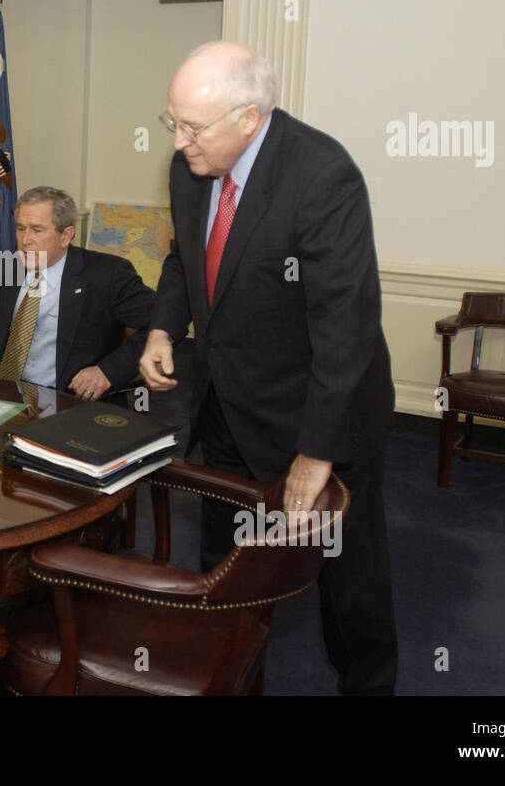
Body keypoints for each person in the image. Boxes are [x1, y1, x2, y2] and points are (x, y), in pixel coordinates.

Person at [138, 42, 397, 694]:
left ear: (249, 118)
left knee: (348, 583)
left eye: (192, 127)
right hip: (226, 401)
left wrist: (316, 452)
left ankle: (368, 683)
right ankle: (232, 677)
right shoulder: (191, 168)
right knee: (225, 568)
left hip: (319, 414)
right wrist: (165, 326)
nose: (178, 142)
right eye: (173, 122)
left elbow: (346, 327)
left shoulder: (322, 176)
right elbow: (182, 261)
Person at [0, 186, 154, 401]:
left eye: (37, 230)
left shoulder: (107, 275)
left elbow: (163, 324)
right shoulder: (12, 265)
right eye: (20, 228)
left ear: (66, 236)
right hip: (4, 390)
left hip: (67, 399)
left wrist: (107, 371)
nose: (25, 240)